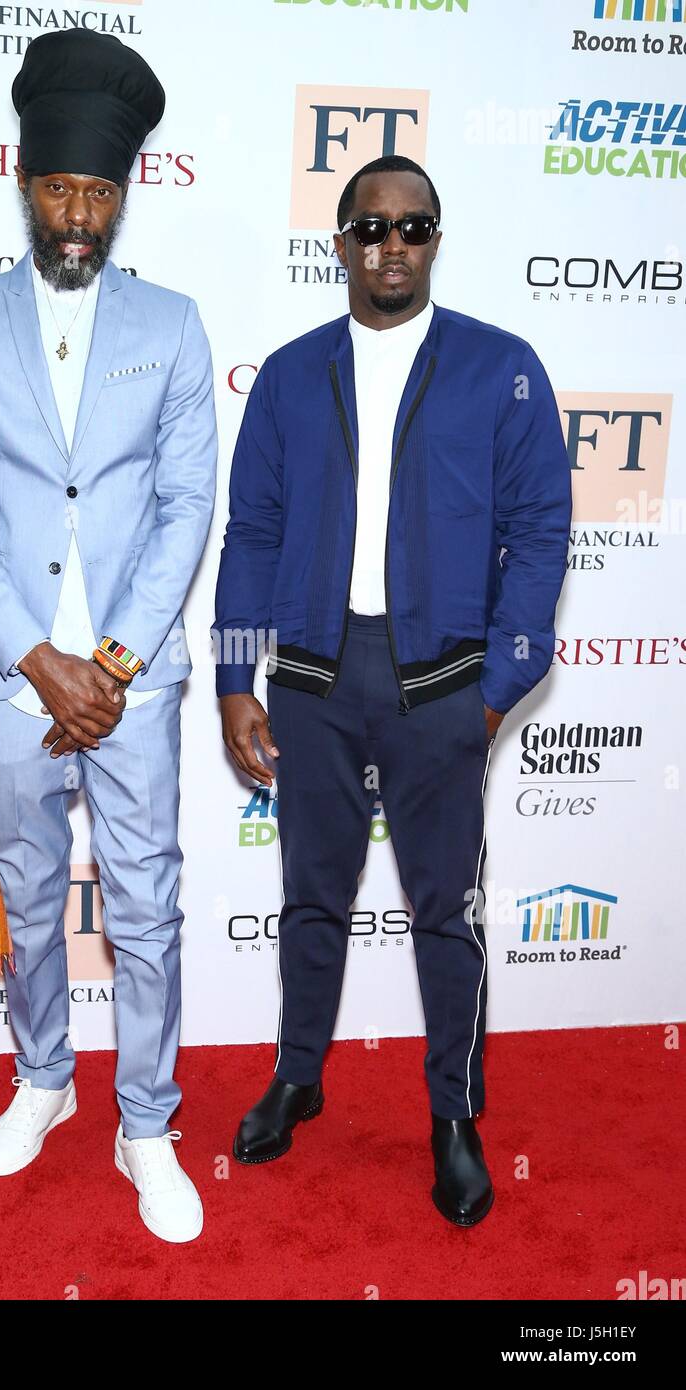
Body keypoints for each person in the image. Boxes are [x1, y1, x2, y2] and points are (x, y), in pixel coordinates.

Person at [212, 155, 571, 1226]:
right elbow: (251, 537)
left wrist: (500, 686)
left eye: (411, 228)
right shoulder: (287, 374)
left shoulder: (497, 366)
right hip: (314, 681)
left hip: (441, 687)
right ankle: (298, 1075)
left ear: (434, 239)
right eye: (369, 229)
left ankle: (452, 1116)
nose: (390, 248)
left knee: (444, 915)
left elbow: (540, 534)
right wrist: (237, 675)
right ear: (338, 242)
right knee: (309, 899)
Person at [0, 29, 217, 1244]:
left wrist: (112, 662)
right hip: (6, 679)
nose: (78, 211)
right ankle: (43, 1078)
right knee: (31, 895)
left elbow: (187, 503)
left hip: (132, 685)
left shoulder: (176, 323)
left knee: (144, 906)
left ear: (123, 191)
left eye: (99, 189)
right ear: (26, 184)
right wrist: (40, 659)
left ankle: (146, 1121)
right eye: (59, 188)